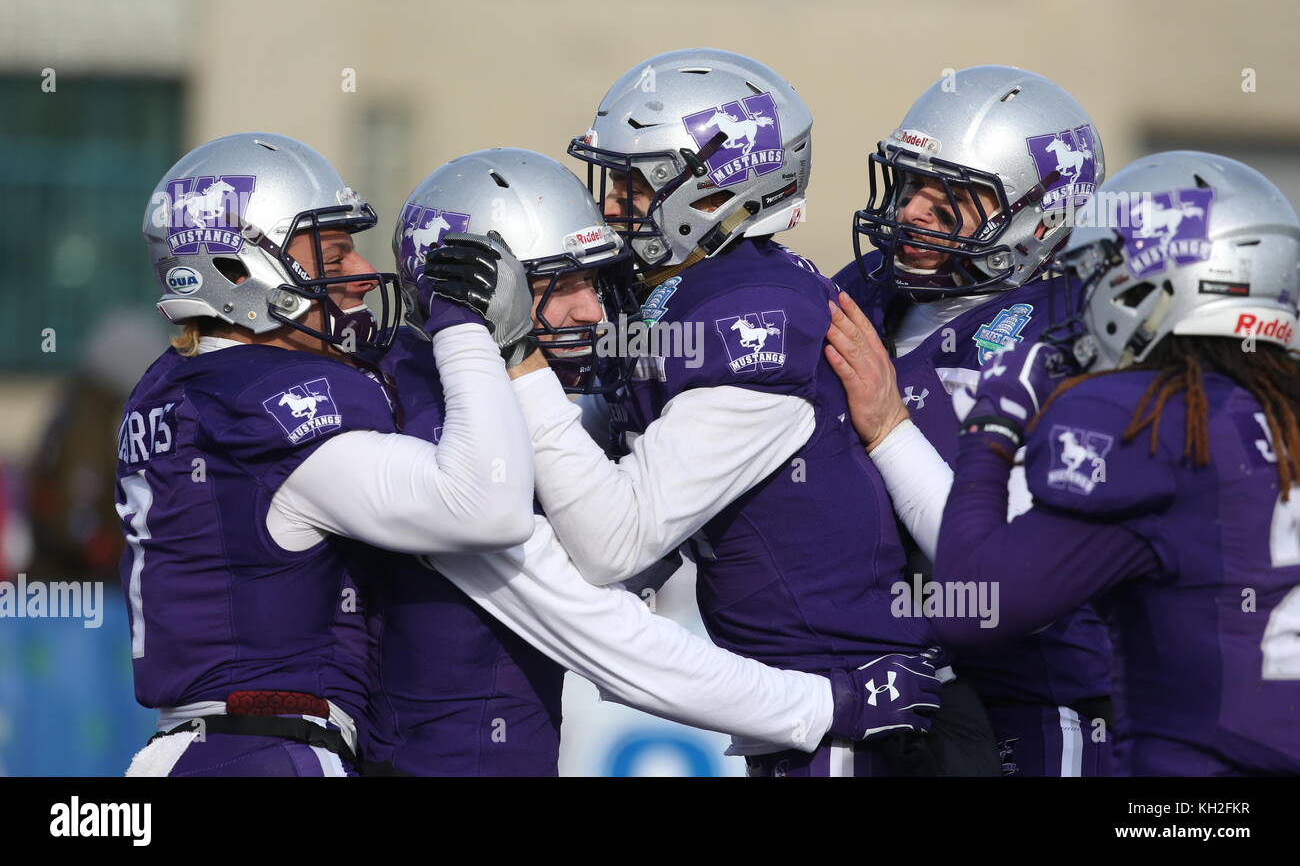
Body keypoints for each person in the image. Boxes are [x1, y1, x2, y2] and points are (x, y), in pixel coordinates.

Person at [365, 147, 940, 775]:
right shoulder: (437, 435)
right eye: (555, 286)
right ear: (466, 297)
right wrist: (825, 703)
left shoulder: (474, 404)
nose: (591, 312)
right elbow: (611, 638)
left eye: (594, 280)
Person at [836, 150, 1300, 775]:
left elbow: (982, 603)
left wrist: (989, 430)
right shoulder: (1271, 417)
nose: (1092, 301)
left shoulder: (1153, 424)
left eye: (1113, 277)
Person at [116, 132, 536, 776]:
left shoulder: (177, 383)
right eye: (333, 257)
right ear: (239, 272)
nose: (360, 277)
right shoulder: (266, 398)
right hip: (263, 750)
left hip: (202, 746)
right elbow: (489, 505)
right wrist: (467, 334)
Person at [830, 66, 1114, 776]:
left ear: (1039, 218)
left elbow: (1019, 584)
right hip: (887, 686)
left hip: (1032, 693)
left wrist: (890, 427)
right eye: (910, 183)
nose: (913, 212)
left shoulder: (1072, 332)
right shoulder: (863, 291)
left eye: (951, 195)